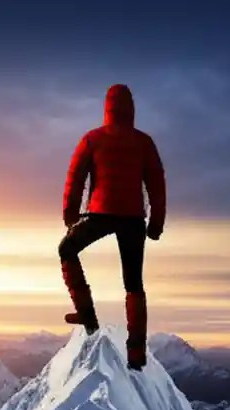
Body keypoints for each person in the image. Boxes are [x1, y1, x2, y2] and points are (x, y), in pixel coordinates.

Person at [59, 83, 166, 371]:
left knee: (67, 249)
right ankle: (136, 354)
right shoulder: (144, 142)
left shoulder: (92, 139)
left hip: (101, 214)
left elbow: (75, 178)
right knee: (133, 284)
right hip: (133, 218)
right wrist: (155, 224)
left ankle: (87, 316)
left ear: (106, 107)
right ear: (131, 108)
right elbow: (156, 184)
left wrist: (70, 215)